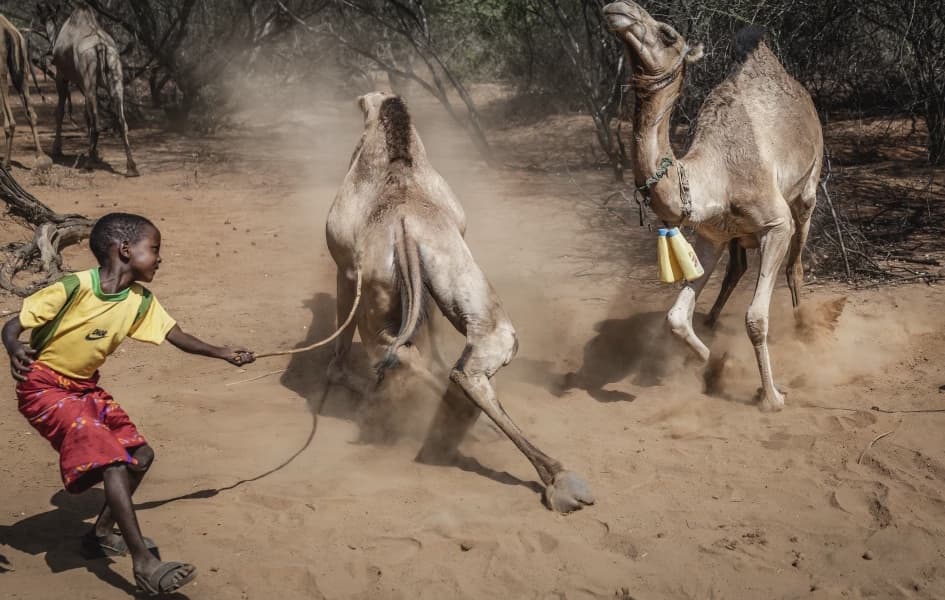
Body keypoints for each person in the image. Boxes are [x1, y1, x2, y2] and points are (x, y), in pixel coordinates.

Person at [2, 212, 254, 596]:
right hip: (45, 389)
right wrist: (12, 345)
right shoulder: (75, 287)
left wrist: (223, 353)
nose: (159, 257)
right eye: (154, 249)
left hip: (85, 389)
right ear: (124, 250)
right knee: (112, 461)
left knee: (141, 456)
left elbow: (177, 335)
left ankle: (99, 535)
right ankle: (144, 563)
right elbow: (15, 323)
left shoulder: (140, 301)